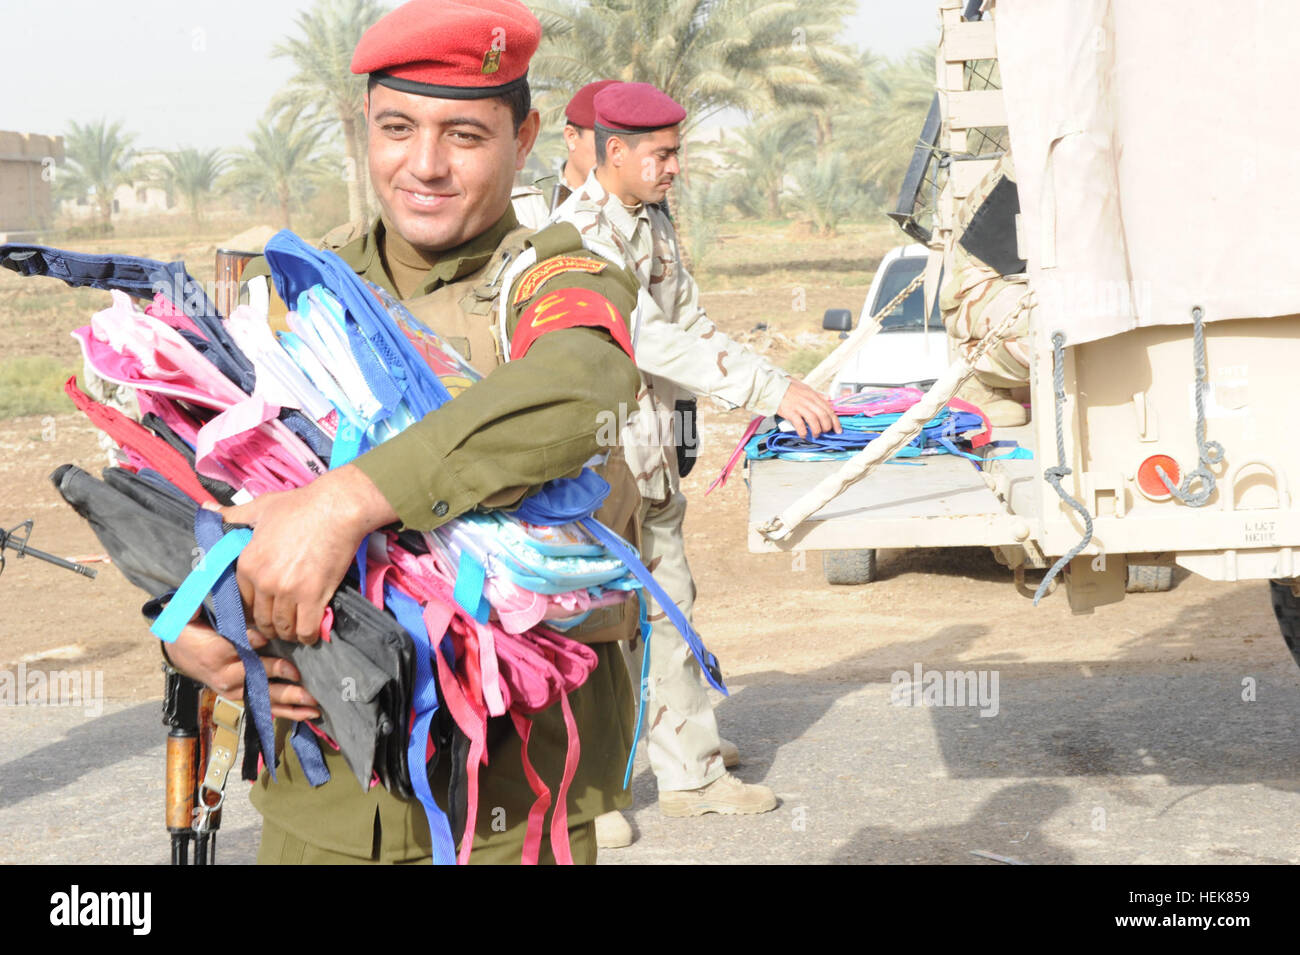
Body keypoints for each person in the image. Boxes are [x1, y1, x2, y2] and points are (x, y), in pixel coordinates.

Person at [160, 0, 649, 865]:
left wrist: (345, 500)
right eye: (397, 128)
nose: (425, 166)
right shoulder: (298, 292)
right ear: (366, 131)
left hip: (505, 796)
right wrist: (192, 621)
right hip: (321, 791)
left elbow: (581, 384)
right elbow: (206, 484)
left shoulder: (555, 277)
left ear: (524, 136)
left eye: (464, 135)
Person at [550, 82, 839, 847]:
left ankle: (685, 758)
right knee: (592, 623)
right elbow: (648, 338)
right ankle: (591, 793)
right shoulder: (578, 234)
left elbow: (689, 319)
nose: (676, 167)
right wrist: (768, 388)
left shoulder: (651, 221)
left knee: (664, 606)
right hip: (592, 463)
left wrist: (708, 420)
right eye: (663, 153)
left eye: (677, 152)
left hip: (645, 456)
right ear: (613, 152)